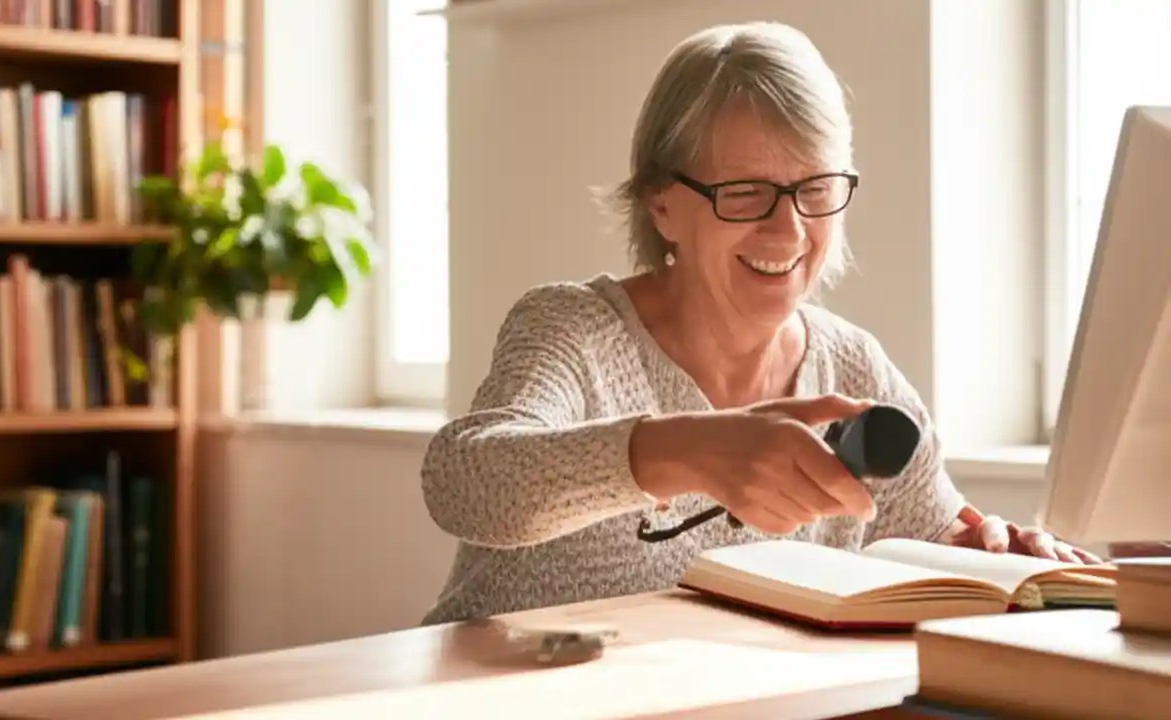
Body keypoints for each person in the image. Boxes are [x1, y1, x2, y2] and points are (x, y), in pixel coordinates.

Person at [418, 21, 1101, 626]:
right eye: (744, 192)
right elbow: (464, 484)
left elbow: (929, 525)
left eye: (816, 189)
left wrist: (993, 558)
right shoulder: (575, 329)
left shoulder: (854, 366)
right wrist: (691, 450)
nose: (790, 228)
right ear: (660, 204)